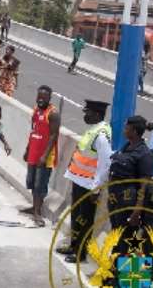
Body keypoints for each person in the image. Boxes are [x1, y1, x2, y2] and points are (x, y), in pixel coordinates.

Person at [56, 100, 112, 264]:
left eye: (87, 113)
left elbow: (105, 164)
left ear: (96, 114)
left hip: (89, 185)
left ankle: (81, 253)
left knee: (85, 219)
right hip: (79, 181)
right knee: (76, 216)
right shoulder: (93, 129)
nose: (85, 115)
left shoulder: (101, 135)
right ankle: (73, 246)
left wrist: (96, 189)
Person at [106, 115, 153, 255]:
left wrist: (137, 210)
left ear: (134, 131)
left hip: (128, 202)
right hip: (116, 199)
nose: (124, 130)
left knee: (127, 240)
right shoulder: (127, 146)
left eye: (126, 127)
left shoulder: (144, 154)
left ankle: (126, 269)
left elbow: (144, 185)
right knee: (116, 234)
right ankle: (115, 265)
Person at [22, 85, 61, 227]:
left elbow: (53, 136)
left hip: (45, 156)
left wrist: (44, 156)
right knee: (32, 181)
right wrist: (28, 149)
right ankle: (34, 207)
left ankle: (38, 212)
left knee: (40, 184)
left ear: (49, 98)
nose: (40, 100)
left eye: (44, 98)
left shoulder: (53, 114)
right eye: (39, 97)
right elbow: (33, 130)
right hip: (33, 151)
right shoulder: (35, 110)